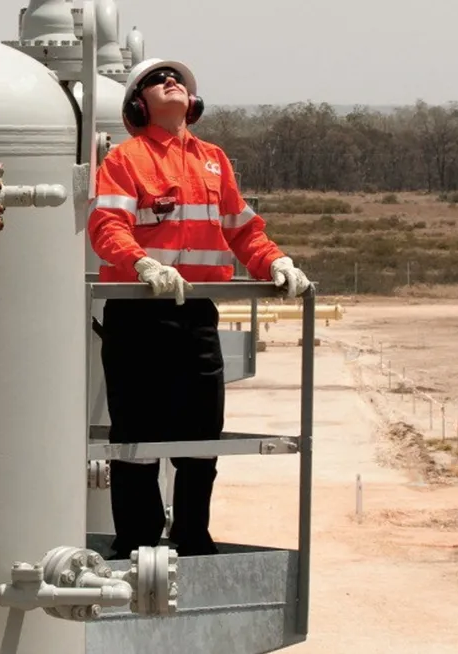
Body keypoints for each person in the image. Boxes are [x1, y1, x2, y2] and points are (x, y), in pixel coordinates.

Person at [87, 57, 313, 559]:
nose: (171, 83)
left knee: (200, 436)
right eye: (156, 80)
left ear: (193, 102)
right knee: (137, 440)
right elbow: (107, 227)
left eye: (179, 81)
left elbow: (242, 230)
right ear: (138, 103)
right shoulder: (126, 160)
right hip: (138, 314)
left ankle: (192, 538)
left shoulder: (213, 160)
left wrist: (275, 261)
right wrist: (142, 264)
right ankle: (137, 543)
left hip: (196, 317)